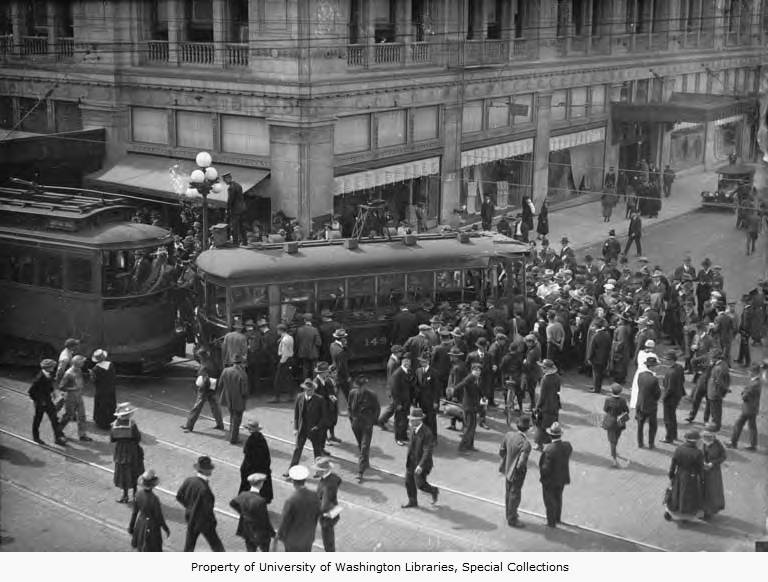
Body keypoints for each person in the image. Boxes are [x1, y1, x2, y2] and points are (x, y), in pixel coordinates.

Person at [176, 456, 225, 552]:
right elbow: (208, 510)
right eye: (210, 469)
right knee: (217, 546)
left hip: (191, 518)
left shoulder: (189, 481)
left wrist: (190, 507)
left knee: (189, 546)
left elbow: (179, 496)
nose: (211, 470)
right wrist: (213, 522)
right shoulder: (204, 490)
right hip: (205, 522)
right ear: (206, 471)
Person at [273, 465, 321, 552]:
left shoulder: (291, 500)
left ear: (293, 481)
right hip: (308, 537)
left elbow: (285, 521)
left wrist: (278, 536)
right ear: (305, 480)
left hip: (293, 540)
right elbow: (318, 514)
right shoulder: (314, 495)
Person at [285, 380, 326, 474]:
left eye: (311, 390)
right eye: (307, 390)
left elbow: (324, 417)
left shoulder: (320, 399)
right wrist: (295, 428)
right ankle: (291, 470)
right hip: (302, 429)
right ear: (304, 389)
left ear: (314, 390)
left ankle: (319, 471)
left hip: (314, 430)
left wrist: (318, 426)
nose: (309, 392)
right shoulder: (299, 397)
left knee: (317, 451)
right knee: (297, 449)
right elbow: (296, 414)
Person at [401, 407, 439, 508]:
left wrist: (420, 465)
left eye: (412, 420)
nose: (410, 421)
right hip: (411, 461)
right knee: (408, 482)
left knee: (420, 484)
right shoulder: (412, 428)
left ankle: (433, 490)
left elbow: (427, 451)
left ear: (418, 420)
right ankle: (412, 501)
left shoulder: (427, 433)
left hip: (422, 463)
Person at [498, 415, 532, 527]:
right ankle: (512, 519)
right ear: (528, 429)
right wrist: (519, 470)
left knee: (508, 493)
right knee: (515, 495)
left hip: (508, 469)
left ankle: (509, 514)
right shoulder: (526, 443)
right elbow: (522, 462)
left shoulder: (508, 435)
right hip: (517, 473)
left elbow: (502, 451)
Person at [538, 422, 572, 528]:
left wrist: (543, 477)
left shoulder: (548, 449)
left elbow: (544, 468)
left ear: (550, 435)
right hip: (562, 478)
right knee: (558, 498)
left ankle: (551, 522)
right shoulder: (567, 446)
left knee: (549, 501)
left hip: (550, 480)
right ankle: (557, 518)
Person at [230, 473, 275, 552]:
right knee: (265, 549)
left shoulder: (243, 494)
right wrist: (272, 533)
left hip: (247, 529)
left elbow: (232, 503)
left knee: (250, 549)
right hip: (259, 532)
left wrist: (242, 513)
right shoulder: (260, 501)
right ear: (260, 484)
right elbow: (265, 520)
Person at [665, 430, 705, 521]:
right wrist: (702, 479)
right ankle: (685, 514)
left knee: (676, 493)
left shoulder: (679, 449)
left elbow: (673, 463)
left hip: (679, 474)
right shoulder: (698, 453)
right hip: (691, 476)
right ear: (695, 441)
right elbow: (700, 468)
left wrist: (671, 475)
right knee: (688, 496)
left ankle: (672, 510)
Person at [348, 375, 380, 482]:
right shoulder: (352, 393)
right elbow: (349, 408)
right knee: (360, 445)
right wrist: (352, 421)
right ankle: (366, 462)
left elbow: (377, 410)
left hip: (367, 424)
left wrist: (372, 422)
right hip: (356, 424)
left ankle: (360, 472)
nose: (361, 389)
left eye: (363, 386)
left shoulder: (372, 395)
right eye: (359, 387)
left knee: (364, 446)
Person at [128, 470, 170, 552]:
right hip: (152, 526)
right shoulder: (154, 499)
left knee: (141, 544)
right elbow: (159, 517)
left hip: (140, 523)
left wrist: (131, 527)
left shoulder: (138, 494)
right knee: (152, 547)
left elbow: (134, 513)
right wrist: (166, 528)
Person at [28, 358, 67, 446]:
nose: (54, 368)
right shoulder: (39, 378)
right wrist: (39, 401)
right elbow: (31, 392)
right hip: (41, 404)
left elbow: (49, 385)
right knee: (38, 420)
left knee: (54, 419)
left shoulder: (48, 374)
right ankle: (36, 437)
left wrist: (53, 392)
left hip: (48, 401)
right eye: (52, 366)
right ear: (48, 368)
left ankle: (58, 437)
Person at [111, 402, 144, 504]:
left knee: (123, 473)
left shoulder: (114, 425)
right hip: (132, 450)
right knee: (134, 471)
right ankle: (135, 494)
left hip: (120, 451)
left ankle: (125, 495)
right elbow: (137, 438)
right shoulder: (132, 425)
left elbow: (112, 439)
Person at [378, 356, 414, 445]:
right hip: (400, 402)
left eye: (409, 362)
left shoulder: (408, 372)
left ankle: (404, 435)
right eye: (406, 362)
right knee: (399, 421)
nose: (408, 364)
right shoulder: (397, 374)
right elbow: (394, 391)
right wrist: (397, 404)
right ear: (403, 362)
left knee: (405, 419)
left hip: (407, 401)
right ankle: (398, 438)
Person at [181, 362, 224, 433]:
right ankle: (220, 424)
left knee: (196, 408)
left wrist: (202, 389)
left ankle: (189, 426)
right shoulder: (213, 362)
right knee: (215, 407)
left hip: (204, 390)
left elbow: (205, 379)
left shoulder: (205, 365)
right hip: (212, 388)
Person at [58, 354, 92, 442]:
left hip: (79, 396)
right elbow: (61, 386)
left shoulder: (79, 370)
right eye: (82, 362)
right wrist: (73, 388)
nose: (84, 363)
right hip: (70, 397)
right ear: (78, 363)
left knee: (82, 416)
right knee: (68, 416)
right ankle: (58, 431)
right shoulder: (69, 373)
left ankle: (82, 435)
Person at [728, 362, 762, 450]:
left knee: (738, 425)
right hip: (753, 408)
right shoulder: (756, 381)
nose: (749, 373)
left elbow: (745, 395)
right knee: (752, 427)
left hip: (748, 408)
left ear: (754, 372)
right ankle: (753, 445)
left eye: (750, 372)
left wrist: (744, 392)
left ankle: (733, 442)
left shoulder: (754, 384)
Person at [238, 420, 273, 503]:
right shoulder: (262, 439)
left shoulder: (251, 440)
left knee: (247, 486)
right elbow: (266, 456)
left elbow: (247, 454)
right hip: (262, 468)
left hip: (250, 468)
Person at [218, 354, 249, 445]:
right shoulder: (242, 374)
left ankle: (231, 434)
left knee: (232, 417)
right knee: (237, 420)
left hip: (228, 399)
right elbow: (244, 391)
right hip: (239, 400)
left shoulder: (225, 371)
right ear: (241, 364)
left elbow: (220, 384)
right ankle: (233, 438)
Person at [452, 363, 482, 453]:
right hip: (468, 407)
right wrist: (453, 390)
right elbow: (462, 384)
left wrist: (483, 397)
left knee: (473, 427)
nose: (478, 372)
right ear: (472, 370)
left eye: (479, 371)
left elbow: (478, 390)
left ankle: (470, 445)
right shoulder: (469, 378)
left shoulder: (476, 379)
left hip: (474, 406)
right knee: (469, 427)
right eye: (476, 370)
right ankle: (462, 447)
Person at [314, 457, 342, 552]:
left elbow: (324, 506)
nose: (315, 471)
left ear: (323, 471)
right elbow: (339, 480)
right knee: (330, 537)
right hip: (333, 510)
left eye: (317, 470)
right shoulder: (333, 477)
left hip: (327, 518)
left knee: (328, 540)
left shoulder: (327, 485)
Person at [700, 423, 726, 520]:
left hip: (713, 473)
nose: (707, 439)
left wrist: (712, 463)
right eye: (705, 436)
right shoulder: (702, 442)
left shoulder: (718, 444)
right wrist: (702, 462)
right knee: (702, 490)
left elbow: (723, 456)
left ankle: (709, 512)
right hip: (702, 471)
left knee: (712, 491)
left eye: (709, 437)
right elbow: (699, 454)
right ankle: (702, 510)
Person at [635, 356, 661, 449]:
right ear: (652, 367)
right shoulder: (654, 379)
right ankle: (651, 443)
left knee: (640, 424)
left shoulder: (640, 375)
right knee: (653, 425)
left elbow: (639, 387)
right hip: (651, 405)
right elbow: (657, 394)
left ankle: (640, 443)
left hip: (640, 403)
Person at [534, 359, 561, 450]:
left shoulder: (545, 379)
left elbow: (542, 396)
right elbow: (558, 392)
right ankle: (553, 444)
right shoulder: (557, 377)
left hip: (545, 407)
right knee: (552, 425)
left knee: (540, 426)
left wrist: (537, 407)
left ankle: (539, 445)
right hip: (555, 405)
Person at [661, 350, 686, 443]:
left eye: (667, 359)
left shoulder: (671, 372)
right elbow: (682, 380)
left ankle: (669, 437)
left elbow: (669, 389)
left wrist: (663, 398)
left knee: (667, 419)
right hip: (677, 395)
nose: (665, 361)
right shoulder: (679, 367)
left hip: (670, 398)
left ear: (671, 360)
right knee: (673, 416)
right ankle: (674, 435)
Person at [602, 384, 629, 467]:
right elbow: (626, 410)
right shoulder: (623, 400)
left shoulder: (608, 400)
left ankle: (614, 460)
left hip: (610, 422)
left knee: (612, 441)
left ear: (611, 390)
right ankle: (614, 451)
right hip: (620, 422)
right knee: (616, 438)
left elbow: (605, 409)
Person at [90, 349, 117, 430]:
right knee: (111, 405)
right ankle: (111, 420)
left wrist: (91, 375)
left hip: (101, 390)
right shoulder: (111, 364)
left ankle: (102, 423)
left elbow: (94, 381)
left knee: (101, 406)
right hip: (111, 389)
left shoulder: (95, 369)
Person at [272, 323, 295, 403]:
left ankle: (276, 397)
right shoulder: (290, 337)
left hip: (285, 359)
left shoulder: (284, 340)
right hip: (290, 359)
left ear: (280, 330)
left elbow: (285, 353)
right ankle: (291, 396)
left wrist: (281, 363)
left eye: (277, 330)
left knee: (277, 379)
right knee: (289, 378)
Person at [588, 318, 612, 393]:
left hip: (596, 358)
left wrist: (589, 358)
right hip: (604, 357)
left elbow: (592, 348)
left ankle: (596, 388)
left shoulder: (595, 336)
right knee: (601, 373)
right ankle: (598, 386)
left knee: (596, 374)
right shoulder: (607, 335)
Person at [296, 313, 321, 381]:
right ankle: (314, 384)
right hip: (313, 353)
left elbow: (297, 342)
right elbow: (319, 343)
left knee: (305, 369)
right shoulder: (314, 330)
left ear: (304, 320)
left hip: (303, 352)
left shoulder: (299, 330)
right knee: (314, 369)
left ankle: (306, 385)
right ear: (311, 320)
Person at [224, 172, 246, 246]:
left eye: (225, 180)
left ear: (228, 179)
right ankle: (244, 241)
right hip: (242, 208)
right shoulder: (238, 185)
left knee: (235, 226)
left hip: (235, 210)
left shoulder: (231, 187)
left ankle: (235, 242)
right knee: (242, 225)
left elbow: (230, 200)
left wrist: (227, 209)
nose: (224, 182)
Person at [329, 328, 351, 403]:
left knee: (335, 394)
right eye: (344, 337)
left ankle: (333, 410)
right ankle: (352, 411)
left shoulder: (332, 345)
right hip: (341, 376)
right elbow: (343, 366)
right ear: (341, 339)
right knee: (348, 395)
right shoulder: (341, 352)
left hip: (334, 373)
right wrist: (347, 376)